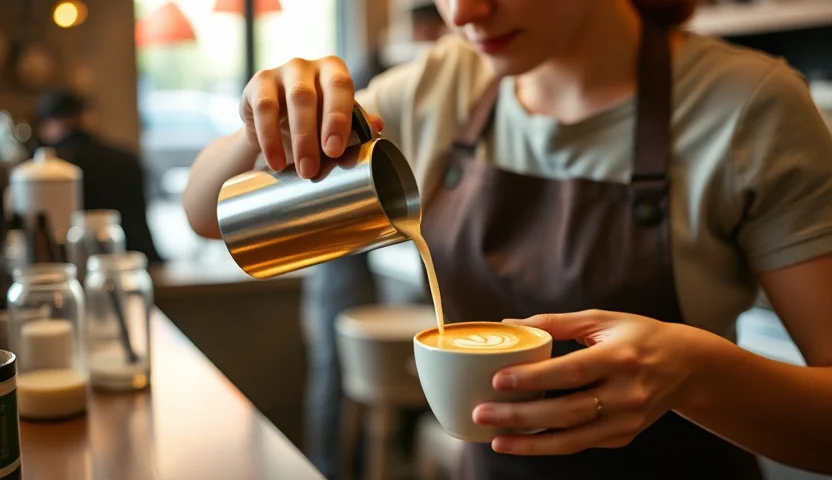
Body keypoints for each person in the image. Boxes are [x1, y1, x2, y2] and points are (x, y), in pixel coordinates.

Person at [183, 0, 832, 478]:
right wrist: (256, 127)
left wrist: (698, 374)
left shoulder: (749, 108)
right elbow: (208, 216)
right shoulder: (439, 88)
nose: (464, 12)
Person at [36, 89, 163, 264]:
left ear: (47, 124)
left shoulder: (47, 170)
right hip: (139, 260)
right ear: (87, 117)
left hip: (79, 266)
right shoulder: (126, 158)